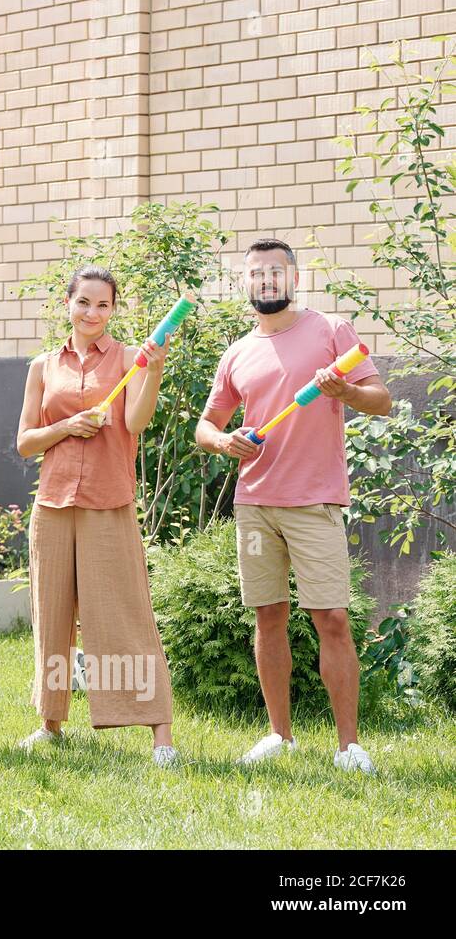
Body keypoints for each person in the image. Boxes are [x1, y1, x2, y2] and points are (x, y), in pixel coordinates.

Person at [195, 238, 391, 774]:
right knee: (268, 616)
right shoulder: (237, 352)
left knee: (331, 617)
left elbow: (382, 399)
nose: (266, 281)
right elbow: (205, 425)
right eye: (255, 273)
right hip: (256, 503)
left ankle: (349, 746)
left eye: (275, 272)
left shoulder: (330, 331)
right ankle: (279, 736)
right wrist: (223, 441)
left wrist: (343, 392)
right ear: (244, 283)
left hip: (314, 500)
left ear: (294, 278)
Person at [15, 266, 178, 766]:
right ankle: (51, 722)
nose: (92, 312)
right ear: (68, 304)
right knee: (53, 613)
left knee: (124, 612)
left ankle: (161, 734)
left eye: (103, 304)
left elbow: (135, 423)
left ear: (114, 309)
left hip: (109, 499)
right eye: (83, 302)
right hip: (54, 503)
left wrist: (153, 372)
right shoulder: (43, 366)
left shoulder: (131, 359)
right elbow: (24, 443)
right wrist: (67, 425)